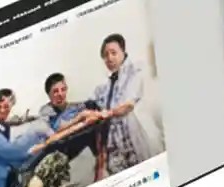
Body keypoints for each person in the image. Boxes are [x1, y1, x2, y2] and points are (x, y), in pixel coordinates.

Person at [90, 33, 157, 179]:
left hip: (132, 142)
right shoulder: (105, 87)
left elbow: (128, 105)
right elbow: (95, 113)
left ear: (123, 52)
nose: (109, 58)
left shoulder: (135, 72)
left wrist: (107, 113)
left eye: (113, 53)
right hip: (114, 148)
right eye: (105, 55)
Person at [37, 73, 102, 161]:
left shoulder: (74, 107)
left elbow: (93, 113)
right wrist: (79, 118)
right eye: (55, 91)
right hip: (56, 148)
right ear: (49, 94)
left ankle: (102, 158)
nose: (60, 94)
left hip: (72, 141)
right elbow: (52, 136)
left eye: (63, 89)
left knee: (91, 106)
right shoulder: (46, 110)